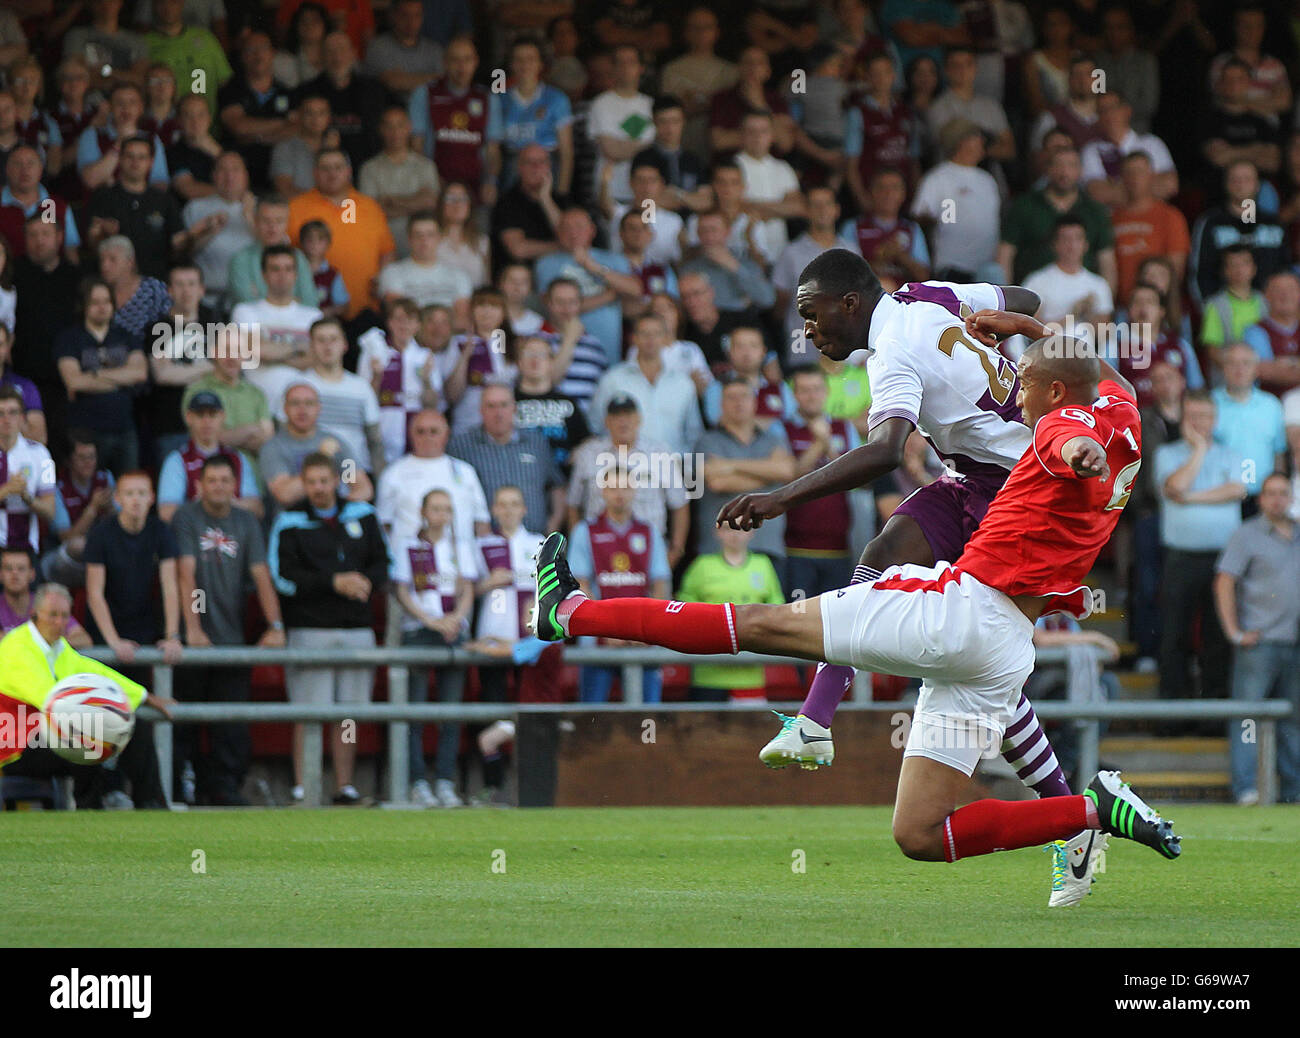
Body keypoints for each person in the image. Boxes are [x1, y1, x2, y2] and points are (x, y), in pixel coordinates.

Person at [533, 318, 1184, 879]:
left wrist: (1078, 452)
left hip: (958, 611)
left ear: (1059, 391)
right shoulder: (1121, 416)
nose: (1018, 392)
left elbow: (1067, 437)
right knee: (919, 834)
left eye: (1028, 382)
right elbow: (1109, 390)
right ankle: (1095, 810)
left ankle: (572, 612)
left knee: (765, 624)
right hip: (1004, 649)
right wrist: (1045, 341)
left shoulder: (1061, 424)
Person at [269, 452, 389, 805]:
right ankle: (304, 787)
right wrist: (334, 583)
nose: (319, 489)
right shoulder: (289, 520)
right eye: (311, 482)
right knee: (308, 711)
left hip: (356, 628)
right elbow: (284, 577)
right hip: (309, 628)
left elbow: (385, 564)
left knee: (348, 714)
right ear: (303, 484)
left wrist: (364, 582)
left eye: (324, 481)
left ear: (337, 480)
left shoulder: (364, 516)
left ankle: (345, 787)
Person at [0, 582, 174, 809]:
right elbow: (49, 699)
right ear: (35, 614)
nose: (59, 623)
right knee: (86, 733)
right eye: (52, 615)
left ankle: (152, 805)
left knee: (133, 726)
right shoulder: (16, 647)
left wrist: (142, 695)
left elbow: (93, 672)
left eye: (64, 616)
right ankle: (89, 809)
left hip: (45, 732)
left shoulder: (57, 647)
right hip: (15, 745)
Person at [173, 455, 285, 806]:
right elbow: (185, 573)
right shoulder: (186, 517)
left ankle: (225, 788)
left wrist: (276, 626)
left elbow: (261, 574)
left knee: (231, 723)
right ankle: (184, 787)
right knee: (185, 721)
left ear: (234, 485)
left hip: (231, 639)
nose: (219, 486)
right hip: (195, 642)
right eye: (212, 480)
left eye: (225, 480)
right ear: (199, 485)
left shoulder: (246, 520)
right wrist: (193, 628)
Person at [1213, 472, 1300, 805]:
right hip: (1258, 643)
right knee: (1247, 719)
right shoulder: (1246, 535)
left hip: (1294, 642)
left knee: (1293, 721)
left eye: (1283, 492)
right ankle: (1246, 789)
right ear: (1260, 499)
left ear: (1290, 497)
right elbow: (1223, 582)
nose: (1277, 499)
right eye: (1270, 493)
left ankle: (1293, 791)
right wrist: (1234, 632)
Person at [1155, 390, 1245, 708]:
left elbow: (1237, 489)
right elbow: (1174, 486)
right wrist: (1199, 452)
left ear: (1215, 419)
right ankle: (1173, 716)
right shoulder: (1166, 454)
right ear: (1182, 418)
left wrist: (1191, 498)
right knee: (1174, 635)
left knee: (1218, 637)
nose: (1199, 422)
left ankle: (1214, 714)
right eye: (1192, 416)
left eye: (1205, 416)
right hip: (1181, 557)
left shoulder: (1233, 454)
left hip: (1224, 562)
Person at [391, 486, 476, 808]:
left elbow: (466, 588)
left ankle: (444, 780)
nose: (441, 514)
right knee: (414, 710)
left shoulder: (460, 546)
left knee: (450, 711)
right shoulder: (407, 545)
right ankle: (416, 781)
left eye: (446, 509)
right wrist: (429, 620)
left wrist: (455, 618)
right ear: (424, 513)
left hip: (454, 632)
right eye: (435, 508)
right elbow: (401, 591)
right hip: (418, 631)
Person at [567, 477, 671, 703]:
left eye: (625, 486)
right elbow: (580, 585)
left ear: (634, 490)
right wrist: (606, 630)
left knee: (648, 719)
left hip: (642, 641)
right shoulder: (585, 532)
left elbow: (660, 585)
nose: (619, 493)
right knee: (593, 717)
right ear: (602, 492)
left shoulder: (649, 531)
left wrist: (650, 630)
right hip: (599, 642)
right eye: (613, 487)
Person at [567, 393, 688, 561]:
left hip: (649, 550)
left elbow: (680, 504)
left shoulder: (660, 453)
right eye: (616, 416)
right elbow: (573, 504)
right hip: (597, 550)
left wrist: (675, 550)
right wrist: (578, 551)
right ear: (606, 422)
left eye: (628, 415)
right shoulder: (587, 453)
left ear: (639, 419)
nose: (623, 421)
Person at [675, 522, 784, 702]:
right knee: (705, 729)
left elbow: (777, 606)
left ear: (752, 532)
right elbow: (685, 607)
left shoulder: (763, 564)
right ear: (717, 532)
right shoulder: (702, 565)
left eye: (742, 528)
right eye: (728, 528)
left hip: (750, 677)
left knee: (750, 730)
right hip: (708, 675)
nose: (735, 534)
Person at [287, 147, 396, 320]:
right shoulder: (296, 207)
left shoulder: (370, 207)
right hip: (315, 313)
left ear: (348, 171)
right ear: (315, 173)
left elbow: (387, 251)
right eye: (325, 168)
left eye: (338, 168)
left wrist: (382, 279)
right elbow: (285, 254)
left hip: (365, 309)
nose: (332, 174)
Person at [782, 367, 860, 599]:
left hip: (839, 546)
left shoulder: (844, 428)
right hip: (794, 546)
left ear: (826, 392)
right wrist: (821, 441)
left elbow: (853, 477)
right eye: (804, 390)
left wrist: (827, 445)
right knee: (797, 616)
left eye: (816, 389)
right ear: (794, 395)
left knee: (834, 623)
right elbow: (791, 474)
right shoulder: (782, 428)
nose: (811, 396)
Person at [55, 277, 147, 474]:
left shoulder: (126, 336)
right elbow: (74, 381)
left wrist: (94, 374)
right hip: (86, 433)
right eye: (95, 302)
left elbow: (140, 373)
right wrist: (122, 379)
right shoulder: (69, 338)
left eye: (106, 301)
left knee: (128, 488)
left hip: (125, 429)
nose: (102, 307)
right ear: (84, 306)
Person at [449, 383, 564, 536]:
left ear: (514, 408)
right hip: (485, 544)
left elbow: (556, 485)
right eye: (491, 406)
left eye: (504, 405)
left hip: (535, 540)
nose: (498, 413)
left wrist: (553, 524)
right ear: (481, 411)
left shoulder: (536, 442)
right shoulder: (461, 446)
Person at [590, 312, 703, 457]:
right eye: (644, 333)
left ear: (666, 338)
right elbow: (597, 426)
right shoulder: (612, 379)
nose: (650, 339)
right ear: (634, 338)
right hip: (625, 469)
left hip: (671, 469)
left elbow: (693, 433)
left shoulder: (684, 383)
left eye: (656, 333)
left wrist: (687, 474)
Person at [375, 407, 488, 548]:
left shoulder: (465, 471)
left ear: (446, 434)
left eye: (434, 431)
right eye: (420, 431)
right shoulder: (393, 473)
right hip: (411, 562)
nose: (427, 437)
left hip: (461, 563)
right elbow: (384, 524)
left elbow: (481, 521)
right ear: (411, 434)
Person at [261, 380, 373, 519]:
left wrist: (338, 512)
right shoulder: (273, 448)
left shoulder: (335, 443)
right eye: (295, 403)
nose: (302, 410)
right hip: (294, 525)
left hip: (334, 523)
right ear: (284, 408)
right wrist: (322, 455)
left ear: (319, 408)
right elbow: (285, 495)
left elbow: (362, 488)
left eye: (309, 403)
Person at [911, 119, 999, 283]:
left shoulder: (988, 180)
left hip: (986, 269)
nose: (982, 142)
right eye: (977, 137)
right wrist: (947, 220)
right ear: (962, 142)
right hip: (951, 267)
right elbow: (921, 216)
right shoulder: (938, 178)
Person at [355, 296, 440, 465]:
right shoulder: (373, 352)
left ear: (418, 325)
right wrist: (377, 376)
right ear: (389, 322)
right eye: (399, 319)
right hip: (382, 429)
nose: (404, 325)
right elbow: (364, 398)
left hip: (415, 432)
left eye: (410, 320)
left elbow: (432, 405)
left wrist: (426, 380)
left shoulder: (425, 356)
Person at [485, 35, 572, 197]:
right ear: (511, 64)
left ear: (540, 64)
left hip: (547, 166)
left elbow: (566, 153)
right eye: (519, 60)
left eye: (531, 59)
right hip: (513, 166)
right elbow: (493, 149)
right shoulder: (499, 100)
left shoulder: (557, 99)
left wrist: (562, 192)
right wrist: (491, 182)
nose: (525, 65)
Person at [407, 35, 491, 203]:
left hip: (475, 186)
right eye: (455, 60)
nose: (462, 67)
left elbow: (492, 149)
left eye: (467, 60)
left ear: (476, 62)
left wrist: (491, 182)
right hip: (435, 186)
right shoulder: (424, 94)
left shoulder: (487, 98)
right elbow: (416, 145)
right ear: (444, 63)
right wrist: (430, 179)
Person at [156, 391, 262, 522]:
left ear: (222, 417)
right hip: (193, 535)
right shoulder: (177, 460)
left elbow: (257, 508)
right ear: (189, 418)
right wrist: (205, 504)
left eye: (212, 415)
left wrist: (219, 501)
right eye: (200, 415)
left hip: (233, 535)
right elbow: (166, 512)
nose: (206, 422)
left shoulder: (238, 458)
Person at [296, 30, 390, 170]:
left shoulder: (374, 89)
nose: (337, 57)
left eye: (342, 50)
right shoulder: (306, 92)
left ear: (354, 53)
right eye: (330, 51)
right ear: (321, 56)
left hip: (368, 170)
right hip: (321, 171)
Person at [1211, 344, 1285, 516]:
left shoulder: (1272, 405)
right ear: (1223, 369)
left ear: (1256, 369)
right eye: (1232, 363)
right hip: (1220, 495)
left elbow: (1278, 453)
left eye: (1246, 363)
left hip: (1263, 498)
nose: (1239, 369)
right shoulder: (1210, 403)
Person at [217, 30, 295, 192]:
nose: (258, 55)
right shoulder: (230, 90)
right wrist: (281, 123)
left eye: (263, 49)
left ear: (273, 53)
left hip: (278, 173)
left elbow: (295, 129)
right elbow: (239, 127)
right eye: (251, 50)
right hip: (238, 175)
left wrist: (256, 136)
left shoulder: (286, 92)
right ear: (242, 56)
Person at [1110, 152, 1191, 308]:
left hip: (1159, 309)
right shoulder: (1112, 218)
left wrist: (1161, 306)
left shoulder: (1170, 216)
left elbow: (1176, 271)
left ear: (1152, 176)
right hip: (1121, 310)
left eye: (1140, 172)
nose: (1134, 178)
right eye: (1128, 172)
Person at [358, 106, 440, 257]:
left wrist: (390, 200)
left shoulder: (426, 166)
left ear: (409, 127)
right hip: (382, 248)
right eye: (389, 126)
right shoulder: (369, 168)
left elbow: (430, 204)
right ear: (381, 129)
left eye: (400, 125)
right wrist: (416, 201)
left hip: (421, 248)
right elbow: (370, 212)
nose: (395, 132)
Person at [1022, 216, 1114, 347]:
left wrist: (1088, 313)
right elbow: (1031, 330)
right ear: (1055, 244)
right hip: (1048, 351)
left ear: (1086, 244)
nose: (1072, 245)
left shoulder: (1099, 284)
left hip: (1087, 355)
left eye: (1078, 239)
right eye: (1066, 239)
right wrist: (1072, 316)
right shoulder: (1037, 281)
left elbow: (1104, 336)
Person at [181, 150, 255, 307]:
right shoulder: (195, 207)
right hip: (205, 299)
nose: (229, 176)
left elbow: (278, 250)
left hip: (250, 300)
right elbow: (181, 253)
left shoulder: (262, 208)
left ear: (246, 176)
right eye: (223, 170)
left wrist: (251, 217)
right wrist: (206, 231)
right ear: (213, 175)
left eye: (235, 170)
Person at [43, 430, 115, 589]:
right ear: (68, 460)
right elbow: (67, 538)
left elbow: (121, 524)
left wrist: (110, 509)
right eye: (82, 457)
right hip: (60, 558)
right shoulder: (57, 488)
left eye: (92, 457)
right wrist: (93, 508)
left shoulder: (105, 478)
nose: (88, 462)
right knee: (79, 545)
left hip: (100, 550)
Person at [586, 44, 654, 206]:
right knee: (615, 231)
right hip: (610, 191)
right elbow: (611, 151)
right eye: (620, 63)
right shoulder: (600, 103)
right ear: (613, 68)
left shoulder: (651, 104)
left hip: (647, 194)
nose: (625, 68)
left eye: (631, 62)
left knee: (649, 228)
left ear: (641, 68)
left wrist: (624, 145)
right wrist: (647, 145)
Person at [375, 211, 471, 318]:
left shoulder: (459, 276)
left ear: (439, 238)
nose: (424, 240)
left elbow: (462, 320)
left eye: (430, 235)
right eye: (418, 235)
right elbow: (399, 318)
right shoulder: (392, 273)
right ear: (409, 239)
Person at [227, 195, 317, 306]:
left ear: (287, 223)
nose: (272, 228)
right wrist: (292, 302)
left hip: (294, 323)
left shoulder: (298, 257)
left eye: (279, 221)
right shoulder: (241, 259)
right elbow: (247, 304)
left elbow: (310, 303)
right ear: (256, 221)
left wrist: (262, 298)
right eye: (266, 221)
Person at [0, 383, 53, 554]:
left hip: (26, 549)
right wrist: (7, 490)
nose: (6, 419)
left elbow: (50, 512)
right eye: (0, 413)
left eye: (13, 412)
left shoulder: (40, 453)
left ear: (23, 418)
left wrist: (26, 496)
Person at [0, 547, 89, 644]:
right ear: (1, 574)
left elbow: (83, 639)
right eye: (8, 568)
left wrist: (53, 642)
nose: (15, 574)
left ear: (32, 574)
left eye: (21, 569)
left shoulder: (47, 601)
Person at [1243, 270, 1300, 396]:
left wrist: (1285, 364)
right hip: (1270, 406)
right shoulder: (1255, 331)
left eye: (1291, 289)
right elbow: (1265, 372)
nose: (1286, 295)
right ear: (1266, 295)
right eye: (1278, 290)